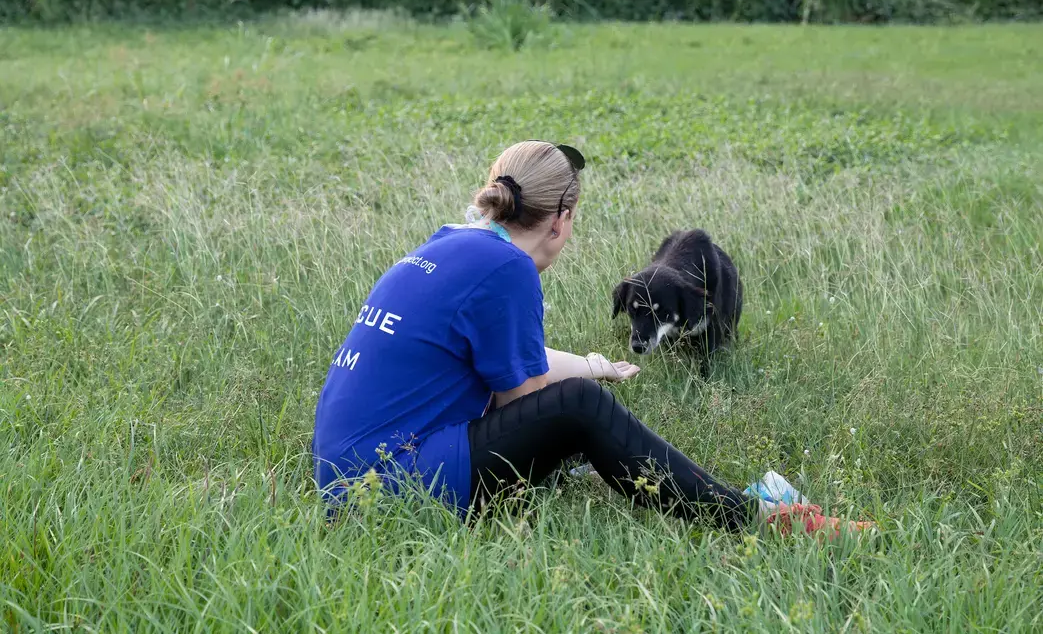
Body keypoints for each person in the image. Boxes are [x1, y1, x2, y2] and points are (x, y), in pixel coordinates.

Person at [312, 141, 873, 538]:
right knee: (580, 411)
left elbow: (500, 365)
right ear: (561, 218)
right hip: (386, 490)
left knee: (580, 405)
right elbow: (528, 404)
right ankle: (756, 519)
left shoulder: (451, 245)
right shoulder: (507, 268)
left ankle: (681, 488)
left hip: (347, 483)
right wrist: (592, 421)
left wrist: (589, 365)